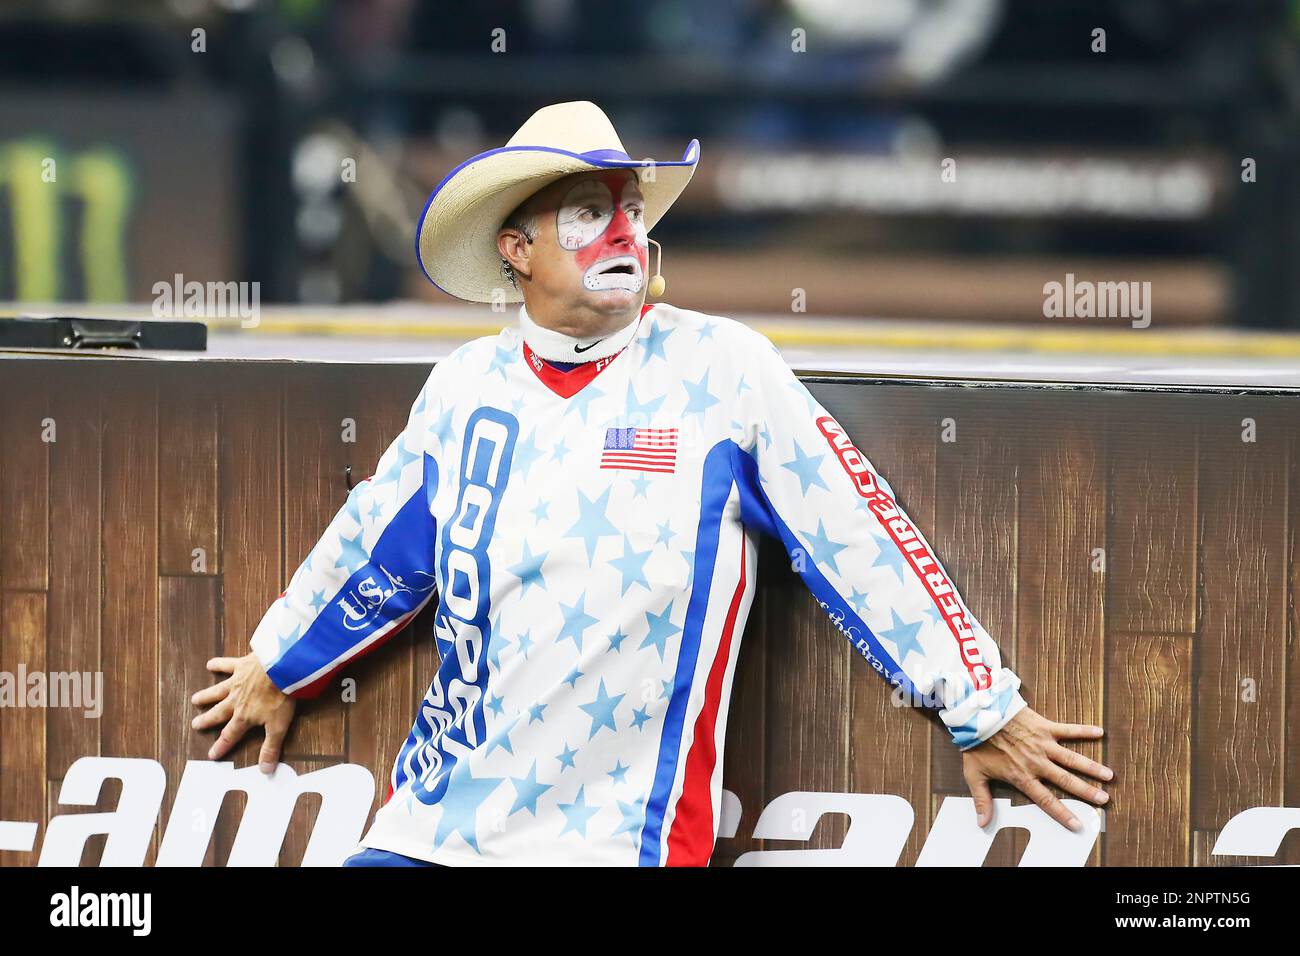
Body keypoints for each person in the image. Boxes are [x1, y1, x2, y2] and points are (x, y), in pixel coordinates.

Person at [191, 101, 1112, 866]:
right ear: (516, 249)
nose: (624, 230)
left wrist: (981, 704)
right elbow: (375, 541)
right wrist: (280, 665)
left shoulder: (724, 370)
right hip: (430, 831)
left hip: (618, 848)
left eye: (630, 209)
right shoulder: (464, 386)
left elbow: (859, 534)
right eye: (588, 213)